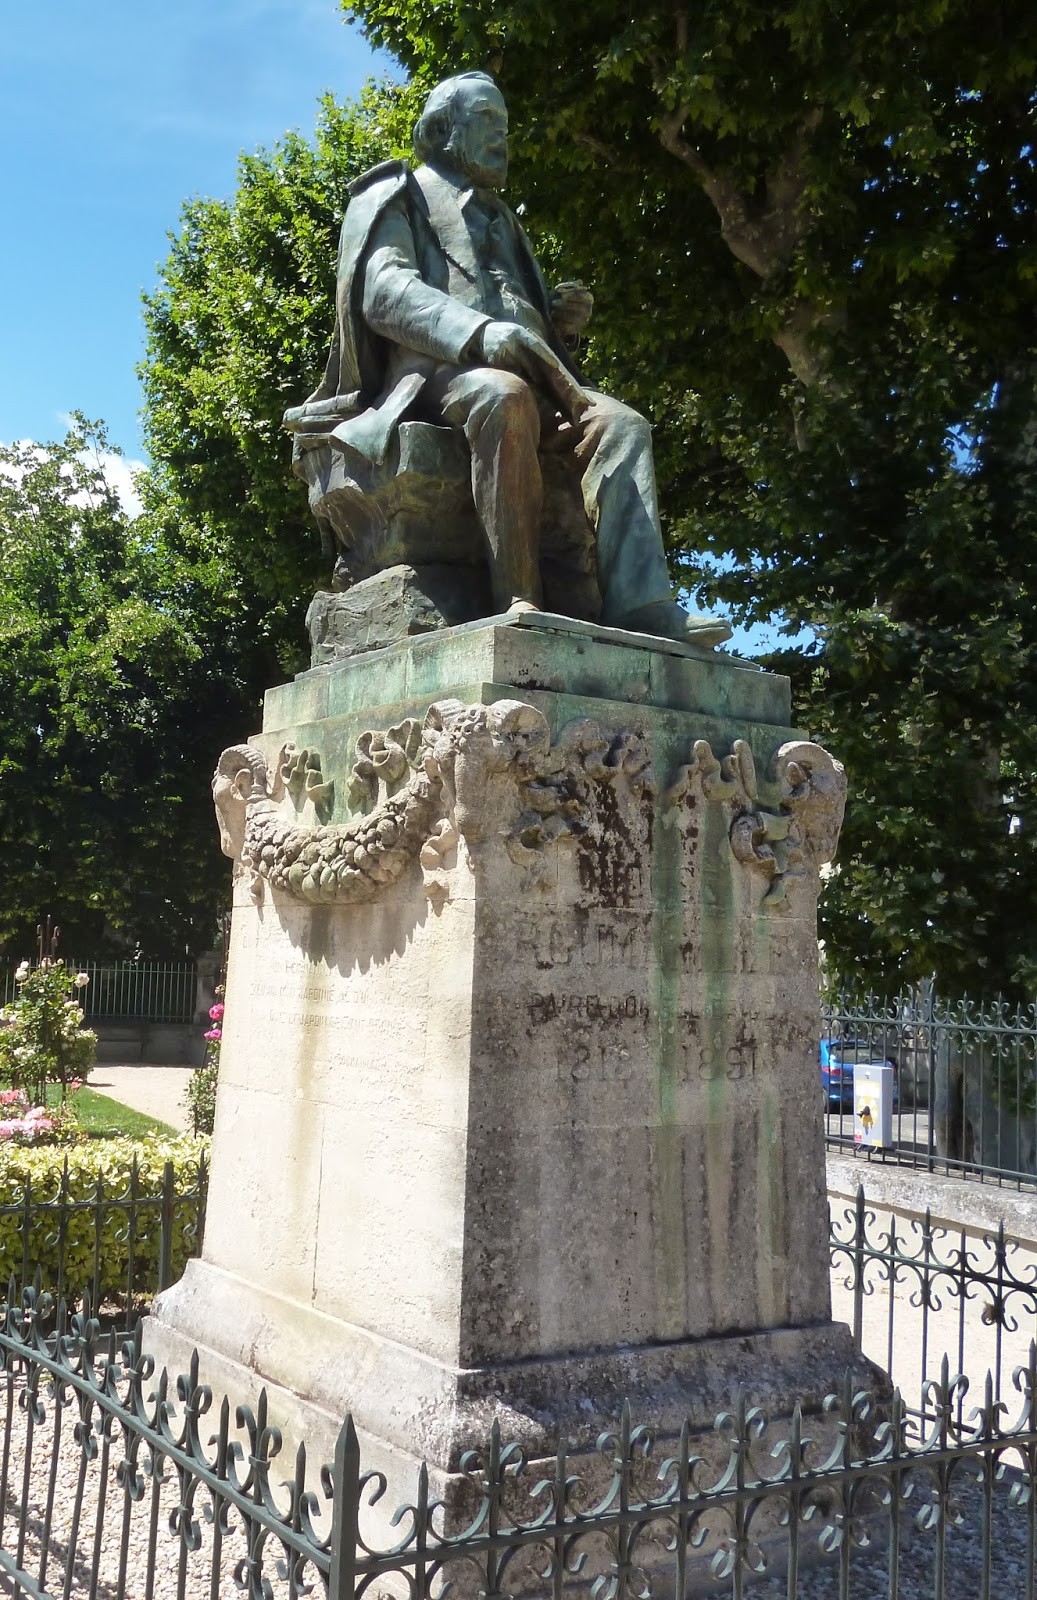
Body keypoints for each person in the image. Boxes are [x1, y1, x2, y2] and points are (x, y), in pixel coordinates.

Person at [293, 72, 731, 649]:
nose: (503, 138)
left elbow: (514, 312)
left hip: (533, 372)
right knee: (502, 395)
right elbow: (384, 291)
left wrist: (558, 325)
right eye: (487, 122)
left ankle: (644, 608)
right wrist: (478, 333)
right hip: (432, 374)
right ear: (445, 130)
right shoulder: (400, 193)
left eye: (506, 126)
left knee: (622, 425)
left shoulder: (504, 218)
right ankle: (518, 596)